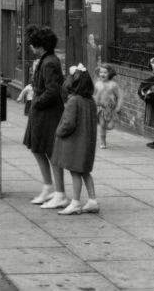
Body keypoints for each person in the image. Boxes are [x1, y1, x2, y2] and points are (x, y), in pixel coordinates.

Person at [22, 27, 68, 209]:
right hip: (41, 112)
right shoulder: (46, 60)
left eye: (33, 44)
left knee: (51, 151)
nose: (31, 47)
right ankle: (48, 187)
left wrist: (37, 102)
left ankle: (60, 193)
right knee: (37, 148)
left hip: (48, 113)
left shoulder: (49, 62)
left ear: (39, 46)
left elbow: (52, 90)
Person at [51, 64, 99, 215]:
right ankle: (92, 201)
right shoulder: (90, 101)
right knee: (85, 171)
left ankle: (76, 202)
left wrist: (58, 131)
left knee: (75, 171)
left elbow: (68, 123)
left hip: (75, 143)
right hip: (87, 141)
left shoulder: (74, 101)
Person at [94, 66, 122, 149]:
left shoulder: (113, 85)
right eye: (101, 72)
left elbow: (120, 96)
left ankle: (106, 127)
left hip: (111, 109)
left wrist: (118, 106)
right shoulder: (97, 84)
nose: (102, 74)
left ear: (109, 73)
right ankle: (103, 142)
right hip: (101, 108)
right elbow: (94, 95)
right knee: (102, 125)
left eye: (105, 72)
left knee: (110, 127)